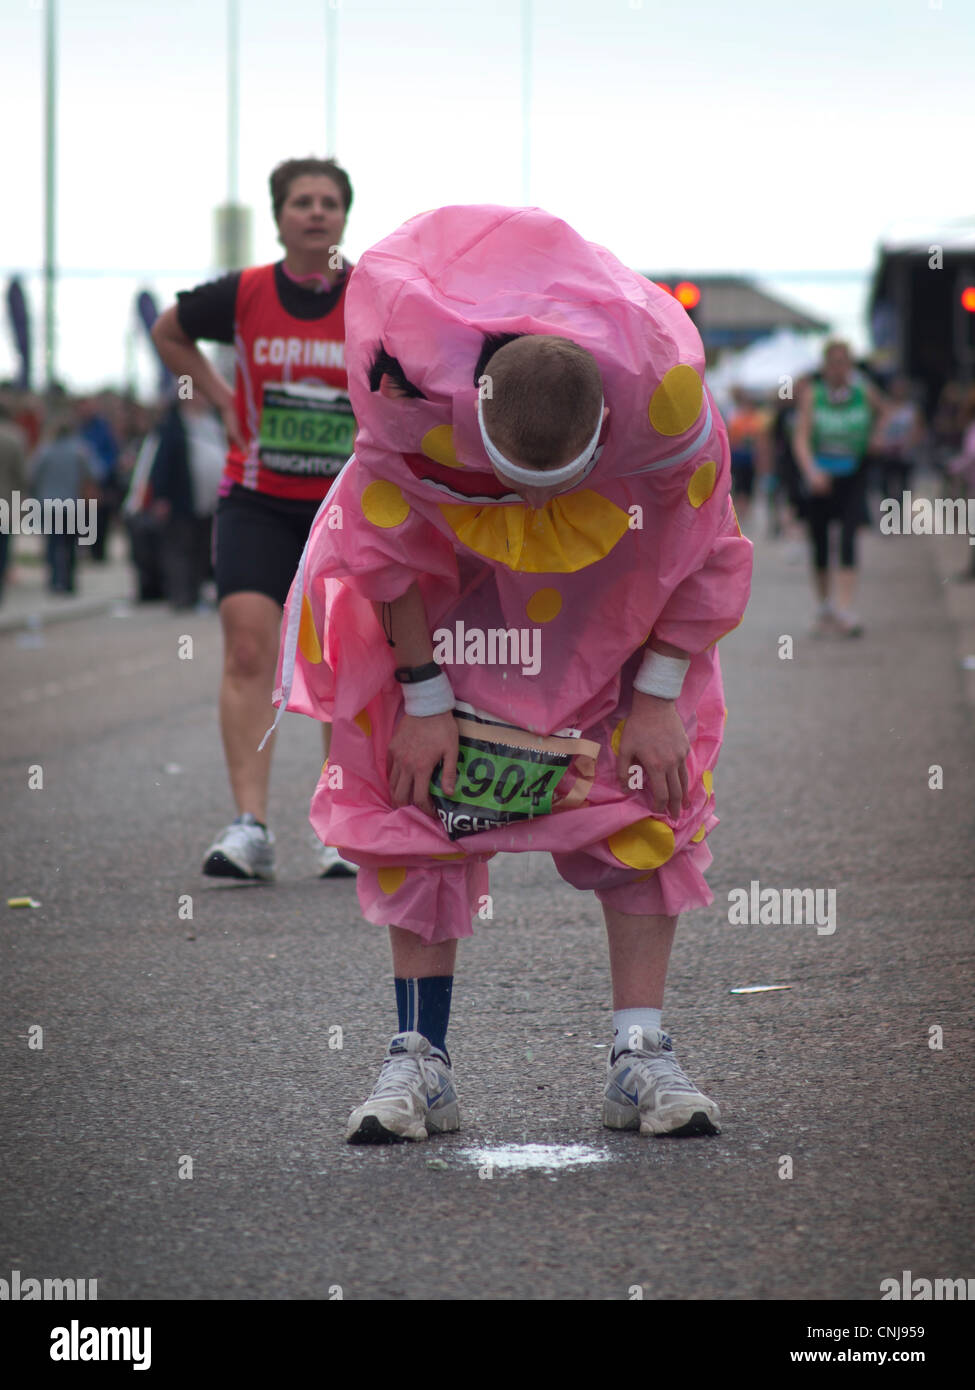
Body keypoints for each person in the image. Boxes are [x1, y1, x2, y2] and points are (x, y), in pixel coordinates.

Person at [272, 205, 753, 1143]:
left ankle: (639, 1054)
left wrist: (654, 700)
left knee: (648, 805)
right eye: (515, 480)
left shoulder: (669, 418)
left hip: (611, 603)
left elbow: (706, 556)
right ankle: (419, 1060)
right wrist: (421, 696)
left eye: (553, 484)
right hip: (457, 607)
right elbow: (387, 549)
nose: (534, 504)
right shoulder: (415, 395)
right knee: (413, 809)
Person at [152, 156, 359, 880]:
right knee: (248, 649)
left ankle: (342, 826)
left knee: (343, 660)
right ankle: (251, 827)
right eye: (300, 201)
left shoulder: (369, 295)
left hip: (344, 509)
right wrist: (215, 393)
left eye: (328, 202)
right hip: (258, 498)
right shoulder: (243, 293)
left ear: (343, 217)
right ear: (278, 217)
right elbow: (169, 329)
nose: (314, 212)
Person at [792, 341, 887, 637]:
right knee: (820, 540)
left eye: (843, 362)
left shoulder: (864, 391)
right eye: (832, 363)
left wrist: (876, 437)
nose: (838, 368)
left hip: (853, 474)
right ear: (824, 367)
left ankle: (845, 608)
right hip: (822, 476)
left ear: (850, 365)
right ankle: (824, 605)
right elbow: (801, 438)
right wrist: (811, 471)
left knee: (848, 536)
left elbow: (884, 412)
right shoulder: (813, 395)